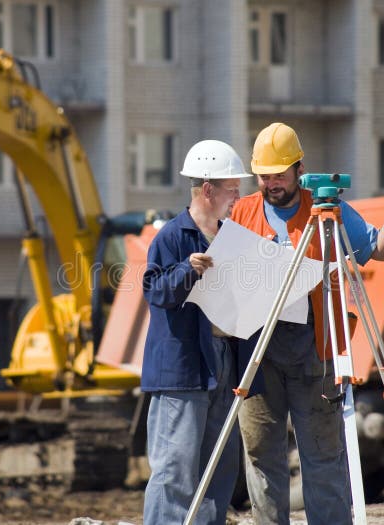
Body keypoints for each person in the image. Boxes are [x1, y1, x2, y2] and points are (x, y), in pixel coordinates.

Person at [231, 122, 384, 524]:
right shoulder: (244, 211)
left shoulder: (326, 209)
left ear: (299, 169)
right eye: (264, 176)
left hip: (315, 350)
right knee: (261, 455)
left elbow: (382, 249)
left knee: (323, 455)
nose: (271, 184)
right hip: (258, 352)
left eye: (279, 175)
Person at [141, 139, 253, 524]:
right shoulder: (172, 237)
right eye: (232, 188)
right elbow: (155, 291)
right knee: (175, 468)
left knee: (218, 467)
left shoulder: (231, 236)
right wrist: (186, 269)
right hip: (184, 368)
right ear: (208, 189)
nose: (237, 196)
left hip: (223, 362)